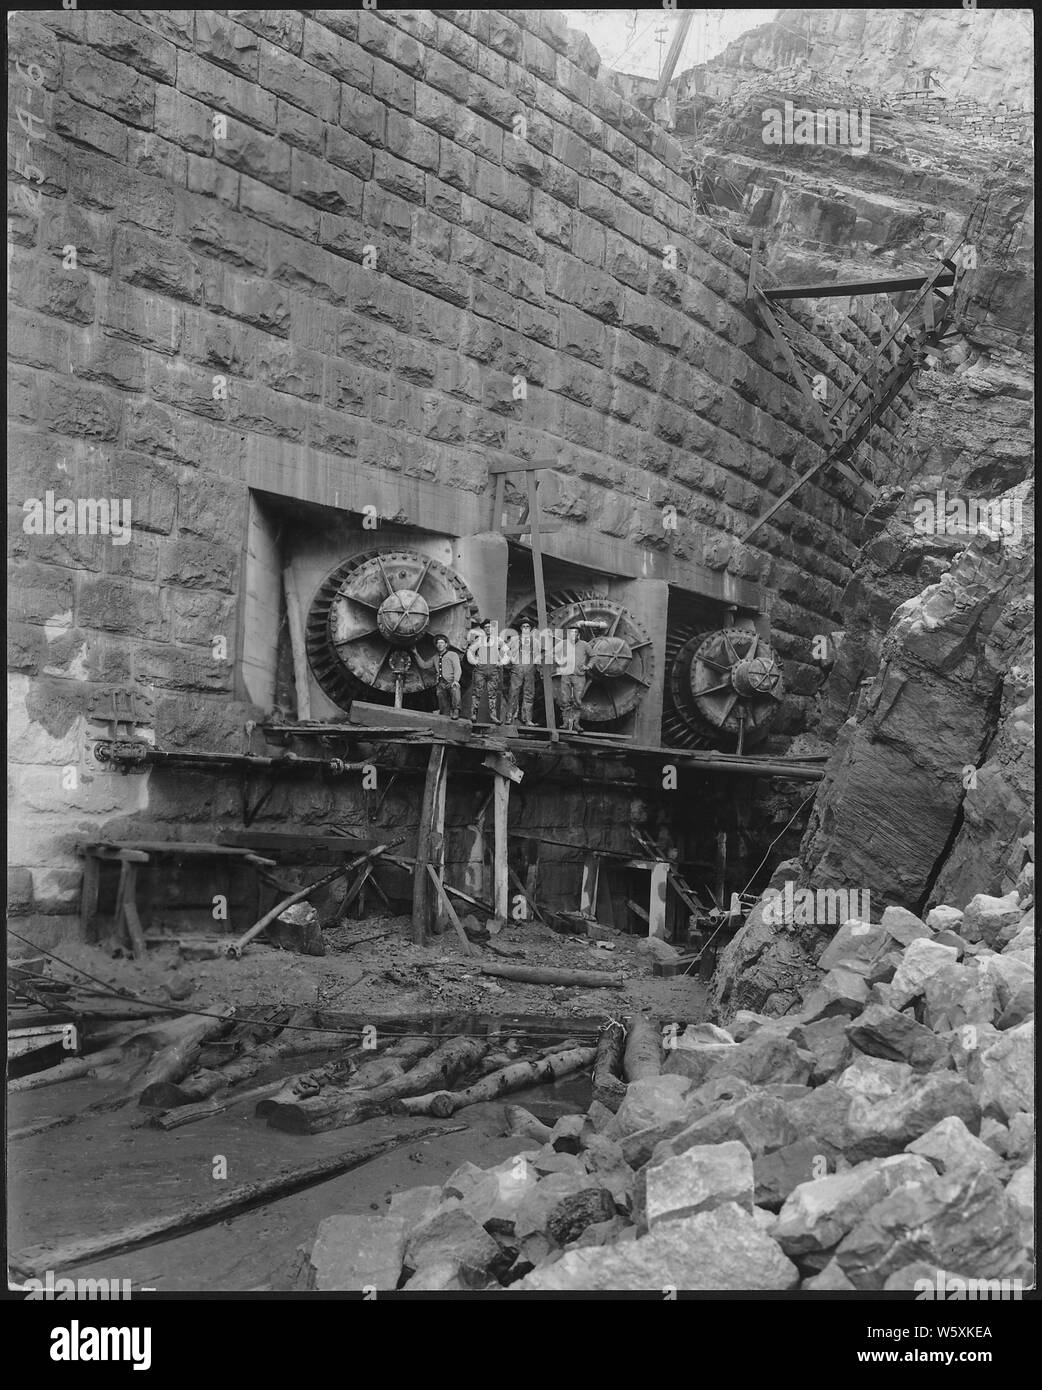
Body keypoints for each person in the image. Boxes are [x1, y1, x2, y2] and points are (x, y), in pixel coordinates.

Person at [411, 634, 461, 719]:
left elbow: (457, 668)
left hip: (451, 681)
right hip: (441, 683)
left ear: (446, 644)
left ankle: (456, 711)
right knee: (442, 703)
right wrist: (416, 654)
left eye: (442, 643)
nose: (440, 645)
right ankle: (445, 717)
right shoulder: (435, 657)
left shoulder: (453, 655)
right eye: (438, 643)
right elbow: (424, 665)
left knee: (455, 692)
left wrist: (456, 680)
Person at [555, 622, 592, 732]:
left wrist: (588, 666)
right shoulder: (563, 644)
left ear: (578, 634)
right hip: (566, 675)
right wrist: (559, 661)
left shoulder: (585, 645)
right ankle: (566, 723)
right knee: (565, 700)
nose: (573, 634)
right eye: (571, 632)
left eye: (575, 632)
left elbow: (594, 656)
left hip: (579, 677)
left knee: (577, 701)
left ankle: (576, 724)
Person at [506, 617, 539, 725]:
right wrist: (511, 660)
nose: (525, 628)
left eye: (527, 626)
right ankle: (510, 717)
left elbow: (539, 655)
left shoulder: (536, 642)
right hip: (517, 668)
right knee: (513, 693)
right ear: (521, 628)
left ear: (530, 628)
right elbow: (504, 650)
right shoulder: (514, 640)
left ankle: (527, 719)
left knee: (529, 694)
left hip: (530, 669)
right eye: (524, 626)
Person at [468, 617, 502, 724]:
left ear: (492, 628)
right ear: (483, 629)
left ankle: (493, 716)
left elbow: (507, 652)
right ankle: (473, 715)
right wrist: (474, 661)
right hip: (480, 670)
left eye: (489, 627)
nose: (488, 629)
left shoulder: (498, 640)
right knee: (477, 692)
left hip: (493, 671)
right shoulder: (479, 640)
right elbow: (470, 651)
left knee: (492, 694)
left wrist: (500, 662)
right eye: (486, 627)